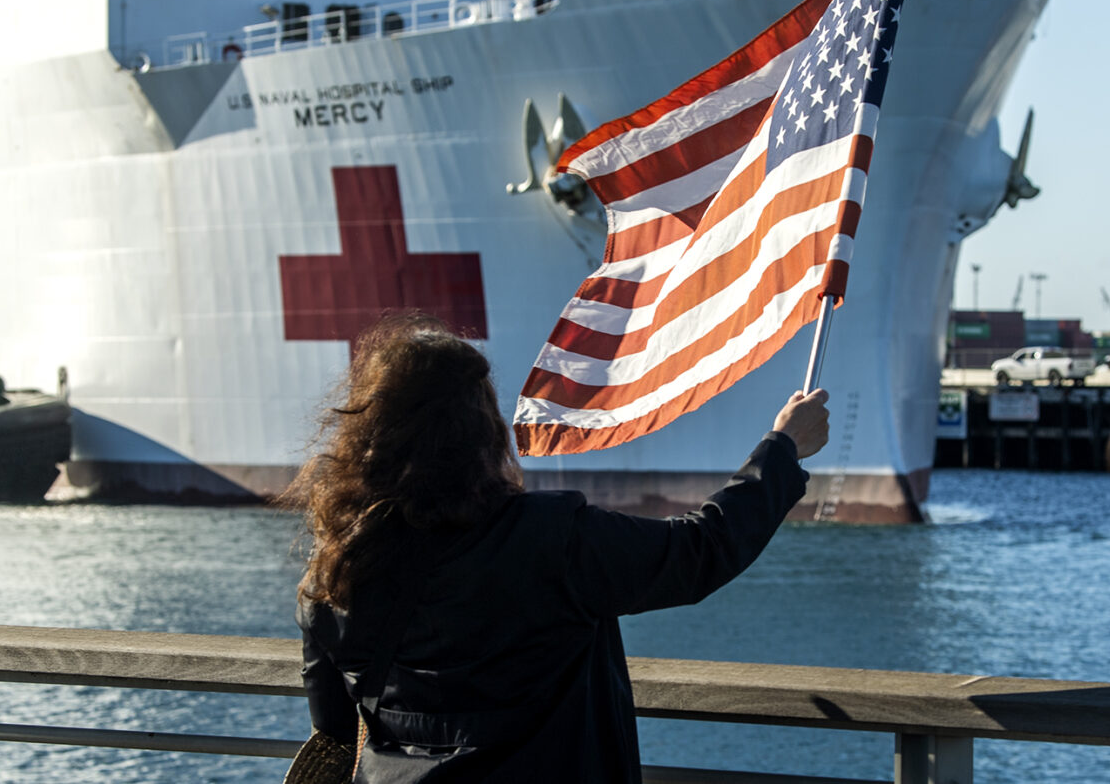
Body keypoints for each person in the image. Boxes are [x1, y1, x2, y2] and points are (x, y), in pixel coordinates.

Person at [284, 313, 829, 782]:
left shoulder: (333, 570)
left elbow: (334, 728)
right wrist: (781, 451)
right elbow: (699, 550)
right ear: (479, 434)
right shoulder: (551, 540)